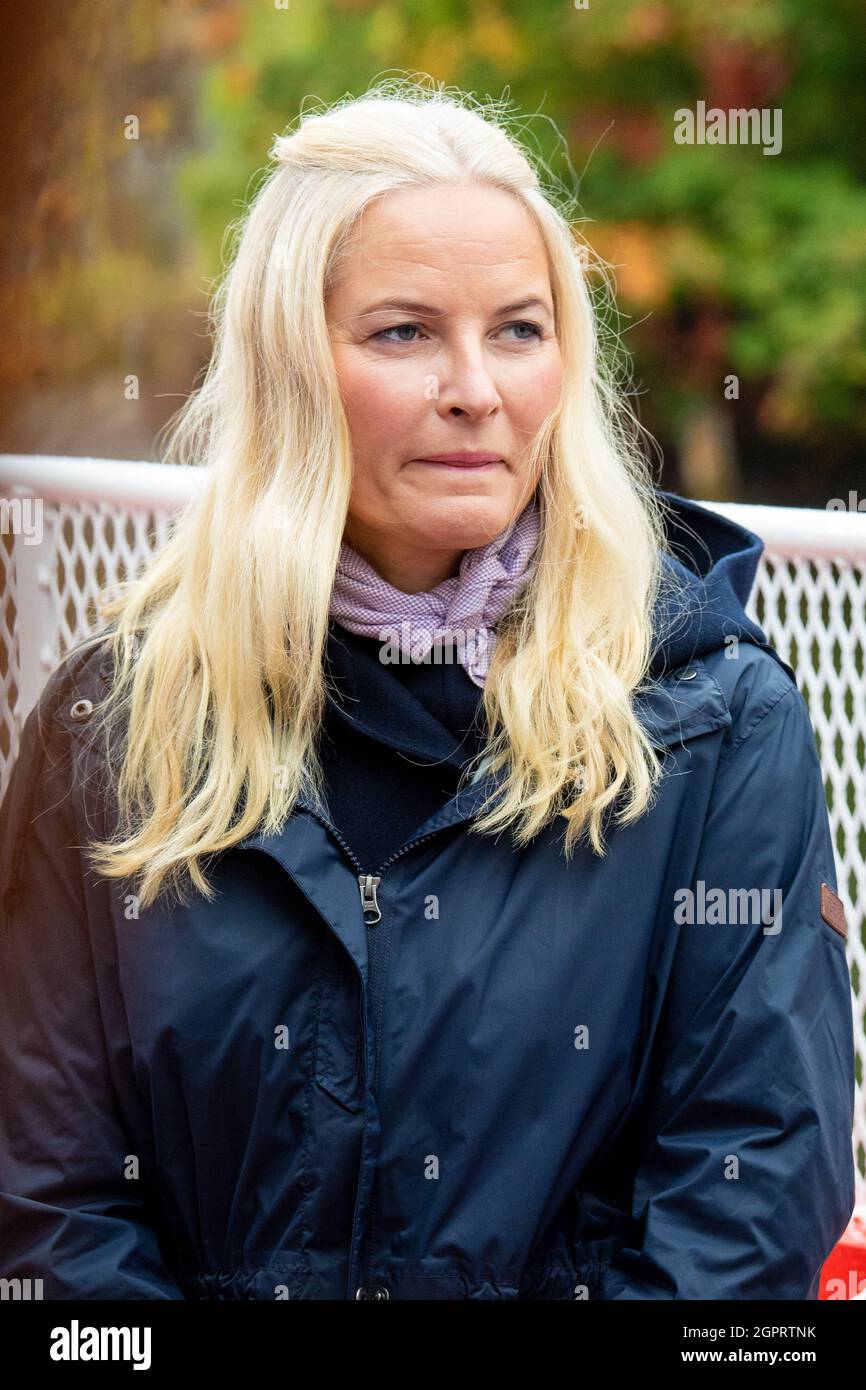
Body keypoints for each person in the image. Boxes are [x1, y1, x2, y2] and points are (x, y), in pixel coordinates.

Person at [0, 79, 856, 1301]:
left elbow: (747, 1191)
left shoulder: (710, 721)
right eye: (403, 332)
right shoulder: (112, 727)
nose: (477, 389)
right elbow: (48, 1200)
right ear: (291, 366)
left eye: (518, 328)